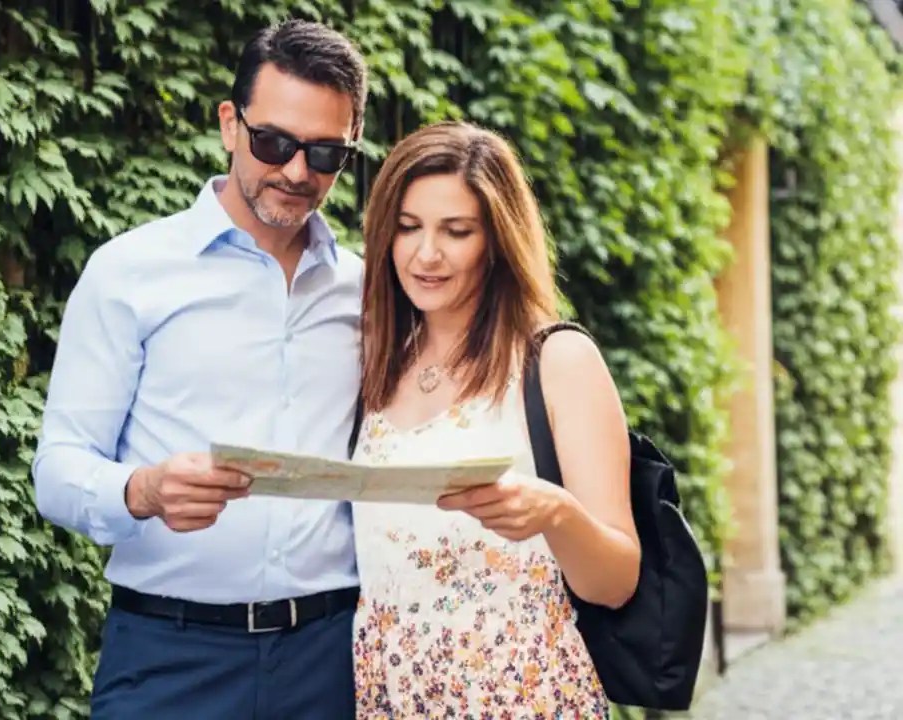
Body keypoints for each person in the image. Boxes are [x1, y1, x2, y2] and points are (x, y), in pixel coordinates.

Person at [32, 19, 368, 720]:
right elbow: (58, 471)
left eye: (326, 153)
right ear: (229, 124)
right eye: (274, 143)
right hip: (168, 656)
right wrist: (143, 489)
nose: (298, 172)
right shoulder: (128, 272)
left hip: (331, 661)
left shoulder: (370, 293)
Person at [351, 122, 640, 718]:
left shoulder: (556, 359)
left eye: (456, 231)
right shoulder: (382, 359)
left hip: (519, 691)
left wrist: (556, 512)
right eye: (407, 228)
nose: (426, 253)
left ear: (497, 240)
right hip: (394, 695)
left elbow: (616, 580)